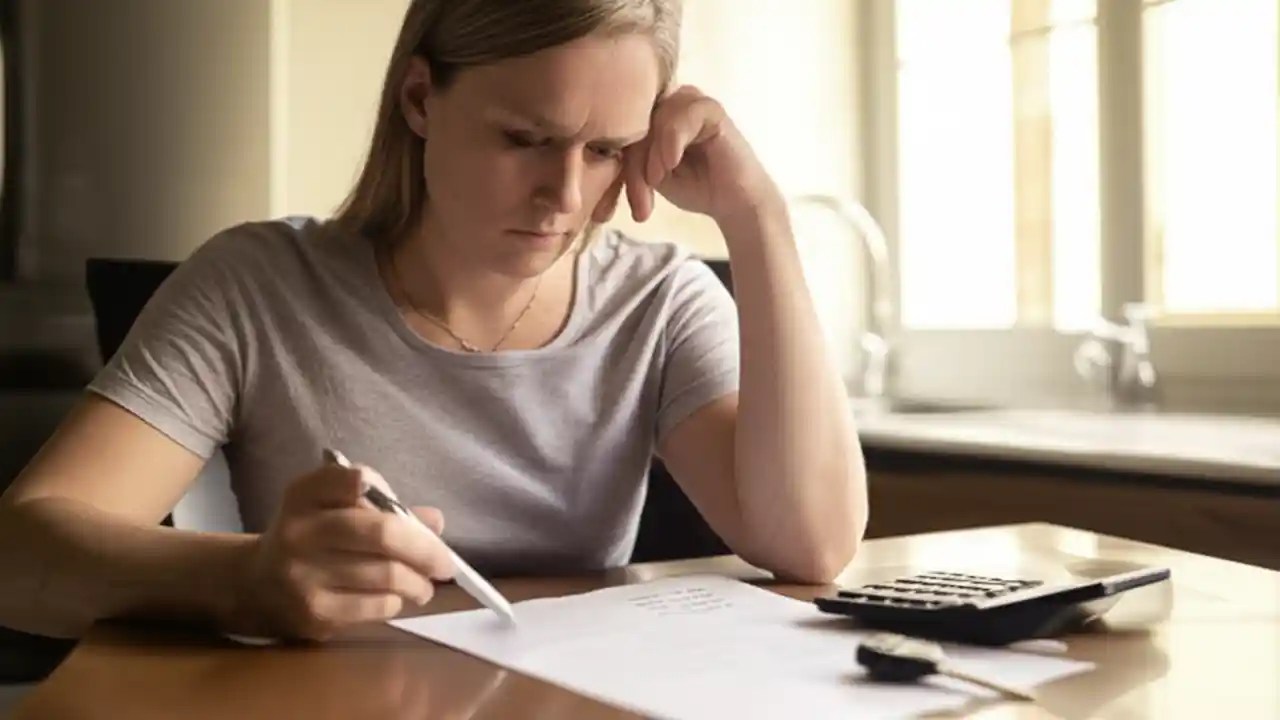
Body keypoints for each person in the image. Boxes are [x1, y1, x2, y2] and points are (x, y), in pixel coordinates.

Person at [0, 0, 867, 642]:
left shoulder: (660, 302)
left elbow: (814, 544)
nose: (566, 198)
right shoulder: (256, 285)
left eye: (605, 150)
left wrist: (757, 216)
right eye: (525, 138)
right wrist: (251, 577)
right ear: (420, 99)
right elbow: (21, 555)